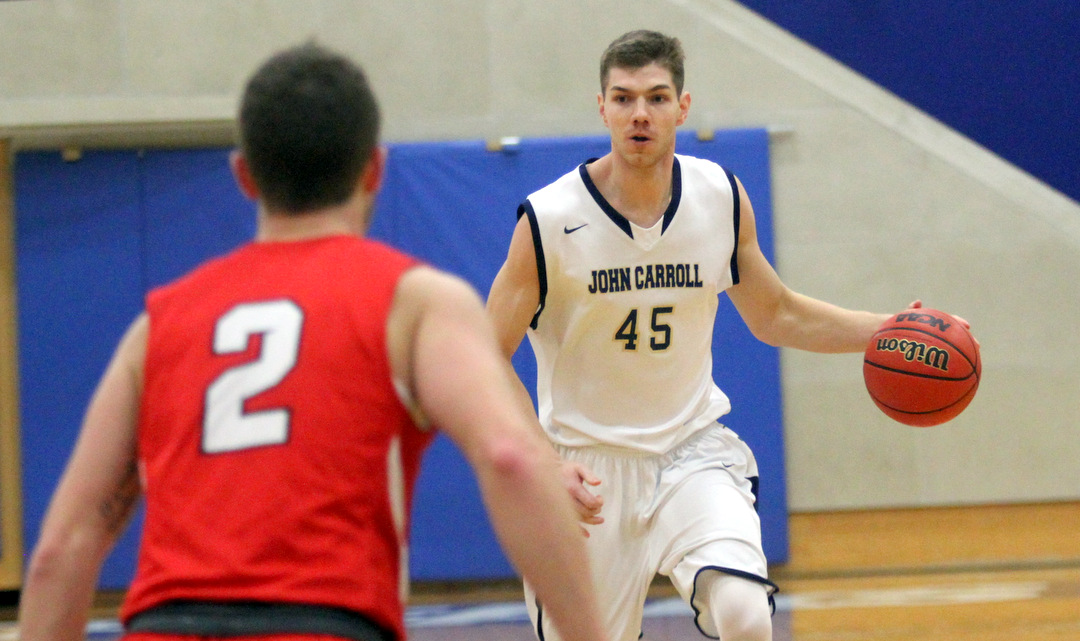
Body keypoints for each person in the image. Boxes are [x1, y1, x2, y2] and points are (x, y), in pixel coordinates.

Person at [18, 43, 609, 641]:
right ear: (374, 170)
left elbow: (60, 551)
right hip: (325, 620)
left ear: (244, 176)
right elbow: (509, 457)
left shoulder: (156, 328)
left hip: (166, 625)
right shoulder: (415, 302)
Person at [487, 30, 969, 641]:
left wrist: (891, 331)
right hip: (586, 471)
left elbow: (777, 313)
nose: (641, 114)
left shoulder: (718, 196)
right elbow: (486, 356)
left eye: (658, 97)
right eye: (625, 97)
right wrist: (541, 463)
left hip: (690, 454)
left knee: (745, 616)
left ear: (683, 108)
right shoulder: (550, 220)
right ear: (602, 106)